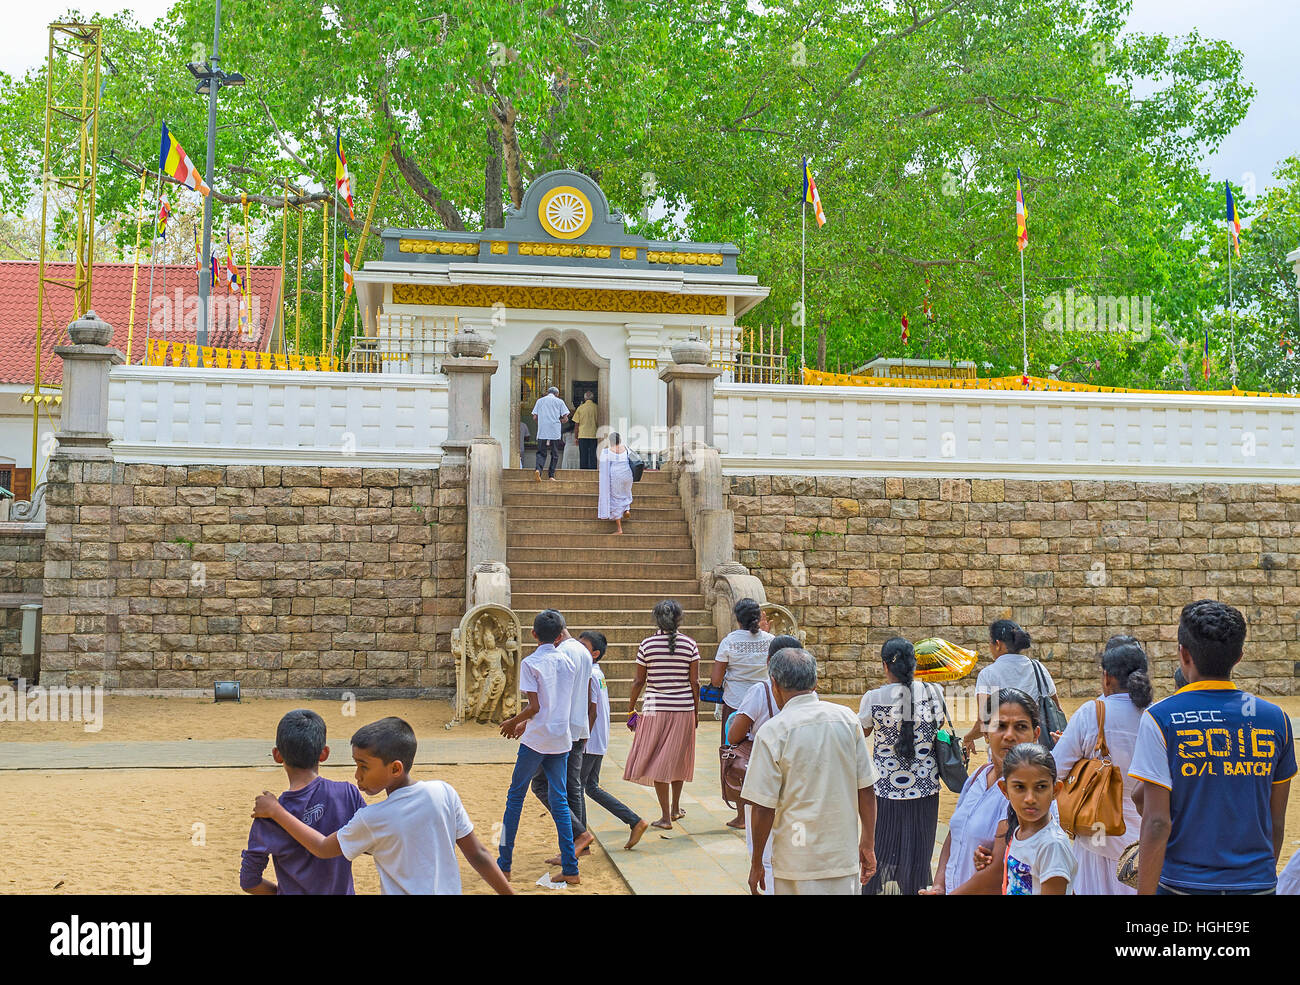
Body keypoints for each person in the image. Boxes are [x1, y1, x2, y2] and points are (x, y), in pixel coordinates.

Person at [1129, 599, 1295, 895]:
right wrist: (1260, 877)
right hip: (1256, 883)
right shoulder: (1277, 720)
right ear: (1240, 656)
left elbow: (1156, 822)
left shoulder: (1160, 719)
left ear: (1183, 654)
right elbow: (1276, 819)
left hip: (1183, 883)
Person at [251, 717, 512, 895]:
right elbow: (478, 854)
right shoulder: (443, 791)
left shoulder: (372, 818)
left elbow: (320, 848)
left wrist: (277, 811)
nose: (357, 775)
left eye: (363, 766)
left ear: (395, 768)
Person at [741, 647, 878, 895]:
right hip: (841, 857)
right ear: (815, 682)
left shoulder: (773, 732)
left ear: (775, 684)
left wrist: (757, 862)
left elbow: (762, 806)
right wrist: (868, 842)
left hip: (796, 860)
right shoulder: (847, 719)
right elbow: (866, 789)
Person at [1050, 634, 1152, 894]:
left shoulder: (1091, 713)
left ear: (1107, 677)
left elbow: (1055, 770)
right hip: (1144, 840)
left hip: (1097, 834)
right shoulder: (1157, 715)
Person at [923, 688, 1042, 894]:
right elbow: (955, 834)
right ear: (985, 733)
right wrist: (939, 885)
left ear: (1035, 734)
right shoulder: (979, 776)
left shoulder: (1031, 793)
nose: (1009, 736)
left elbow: (998, 872)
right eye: (1000, 726)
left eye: (1021, 727)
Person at [240, 709, 367, 894]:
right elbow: (371, 843)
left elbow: (249, 881)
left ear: (277, 755)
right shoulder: (347, 794)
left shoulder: (267, 815)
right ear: (324, 753)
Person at [496, 610, 581, 884]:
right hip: (559, 738)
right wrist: (524, 722)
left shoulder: (531, 663)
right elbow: (548, 705)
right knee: (560, 801)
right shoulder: (568, 662)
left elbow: (535, 706)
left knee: (515, 798)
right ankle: (571, 868)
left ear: (533, 634)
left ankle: (504, 864)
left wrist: (513, 721)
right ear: (560, 636)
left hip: (536, 740)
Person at [858, 637, 944, 895]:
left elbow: (859, 733)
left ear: (885, 665)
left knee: (880, 851)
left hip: (885, 791)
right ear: (914, 664)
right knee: (919, 855)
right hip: (926, 789)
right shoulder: (934, 692)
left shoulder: (873, 699)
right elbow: (937, 728)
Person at [725, 633, 800, 895]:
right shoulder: (808, 694)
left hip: (763, 771)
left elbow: (734, 735)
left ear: (769, 662)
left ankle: (765, 881)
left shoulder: (760, 691)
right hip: (798, 776)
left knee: (762, 841)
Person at [623, 599, 699, 829]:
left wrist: (630, 709)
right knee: (677, 759)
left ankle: (666, 817)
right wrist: (696, 711)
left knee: (657, 759)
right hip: (684, 707)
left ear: (657, 619)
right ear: (679, 619)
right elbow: (694, 682)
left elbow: (639, 681)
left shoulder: (647, 645)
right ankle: (675, 809)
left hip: (654, 705)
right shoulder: (690, 645)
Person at [531, 614, 597, 866]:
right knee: (572, 787)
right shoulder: (580, 650)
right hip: (577, 725)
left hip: (562, 728)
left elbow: (554, 694)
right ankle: (578, 844)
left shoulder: (564, 654)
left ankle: (578, 837)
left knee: (543, 785)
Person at [577, 630, 650, 849]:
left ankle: (581, 840)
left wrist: (582, 740)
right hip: (596, 739)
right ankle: (634, 821)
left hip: (589, 740)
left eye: (584, 647)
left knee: (577, 787)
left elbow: (592, 712)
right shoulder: (595, 672)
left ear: (595, 653)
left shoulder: (590, 673)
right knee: (589, 786)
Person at [708, 597, 774, 827]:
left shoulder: (730, 642)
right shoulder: (770, 641)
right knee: (764, 755)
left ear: (737, 618)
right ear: (759, 617)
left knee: (734, 755)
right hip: (766, 705)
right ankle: (764, 808)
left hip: (736, 705)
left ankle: (741, 814)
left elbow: (716, 680)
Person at [963, 619, 1061, 755]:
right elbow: (1056, 709)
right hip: (1035, 751)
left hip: (1002, 751)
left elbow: (984, 720)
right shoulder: (1038, 668)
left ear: (997, 644)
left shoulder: (987, 674)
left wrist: (968, 738)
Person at [999, 742, 1075, 894]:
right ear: (1004, 790)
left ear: (1055, 790)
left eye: (1040, 787)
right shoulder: (1020, 832)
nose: (1030, 798)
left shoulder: (1052, 846)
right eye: (1020, 787)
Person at [597, 431, 634, 534]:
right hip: (628, 475)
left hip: (616, 476)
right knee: (626, 492)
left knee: (615, 498)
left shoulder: (607, 451)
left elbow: (604, 468)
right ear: (620, 440)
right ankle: (626, 509)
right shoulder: (626, 448)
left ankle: (619, 529)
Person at [531, 385, 569, 481]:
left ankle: (538, 471)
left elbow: (535, 417)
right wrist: (561, 421)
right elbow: (565, 417)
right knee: (554, 453)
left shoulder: (539, 401)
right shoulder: (559, 401)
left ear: (548, 392)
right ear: (557, 394)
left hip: (542, 431)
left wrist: (541, 423)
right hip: (554, 431)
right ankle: (551, 475)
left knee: (541, 453)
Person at [572, 390, 599, 469]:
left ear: (584, 398)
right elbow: (599, 423)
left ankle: (583, 472)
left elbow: (576, 424)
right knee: (593, 455)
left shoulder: (580, 408)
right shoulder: (597, 407)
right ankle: (593, 472)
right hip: (594, 435)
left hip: (582, 435)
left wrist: (576, 437)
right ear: (593, 398)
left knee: (583, 455)